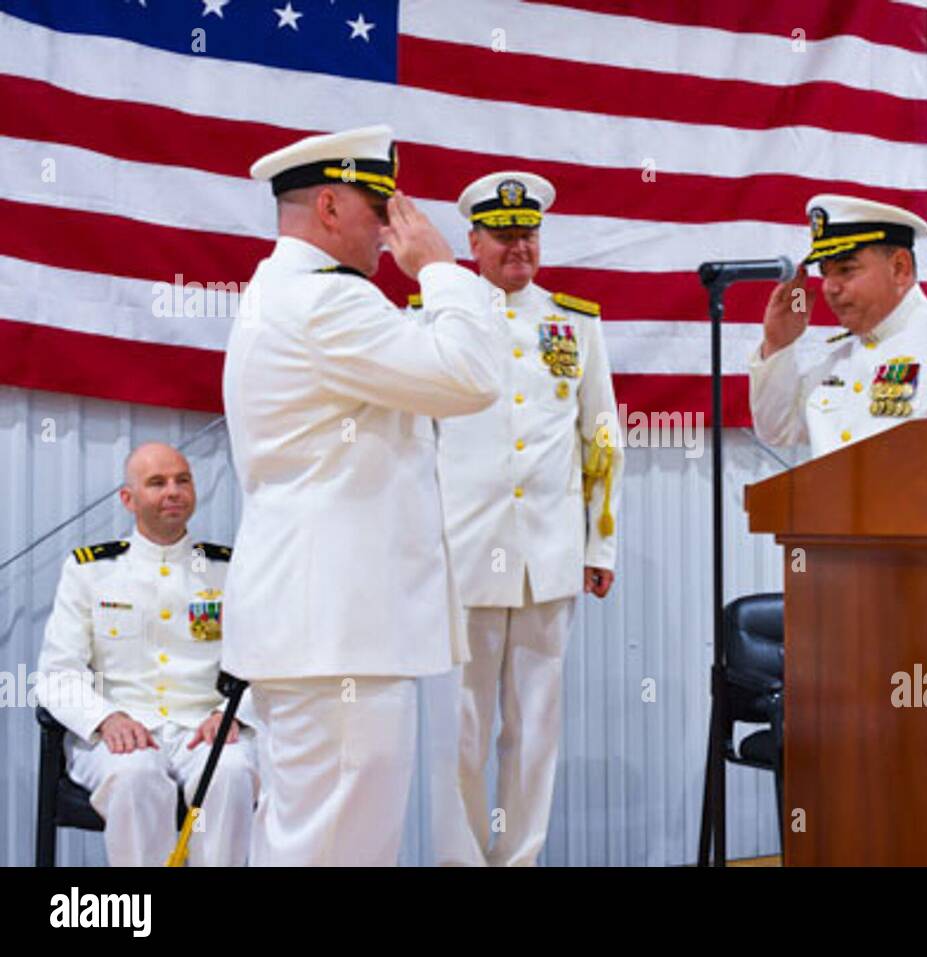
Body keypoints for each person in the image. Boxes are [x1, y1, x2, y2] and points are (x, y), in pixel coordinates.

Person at [222, 125, 504, 866]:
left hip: (322, 631)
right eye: (376, 205)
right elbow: (471, 376)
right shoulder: (324, 304)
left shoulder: (284, 292)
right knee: (336, 849)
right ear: (327, 205)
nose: (390, 226)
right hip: (336, 633)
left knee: (310, 839)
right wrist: (441, 272)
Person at [433, 170, 621, 866]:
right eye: (504, 234)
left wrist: (600, 542)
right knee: (462, 726)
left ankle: (522, 858)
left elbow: (601, 437)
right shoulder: (440, 320)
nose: (520, 245)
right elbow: (418, 444)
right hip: (464, 552)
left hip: (550, 554)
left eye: (529, 232)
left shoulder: (575, 322)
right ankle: (462, 859)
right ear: (473, 241)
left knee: (536, 726)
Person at [37, 442, 256, 866]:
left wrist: (233, 714)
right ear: (128, 499)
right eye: (157, 483)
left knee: (230, 774)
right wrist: (105, 718)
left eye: (182, 480)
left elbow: (265, 663)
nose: (173, 491)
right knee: (135, 777)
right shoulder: (90, 571)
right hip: (123, 727)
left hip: (205, 727)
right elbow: (57, 673)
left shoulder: (228, 571)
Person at [750, 195, 927, 458]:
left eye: (846, 270)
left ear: (900, 268)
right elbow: (777, 429)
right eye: (825, 273)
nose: (829, 287)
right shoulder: (836, 356)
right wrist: (778, 344)